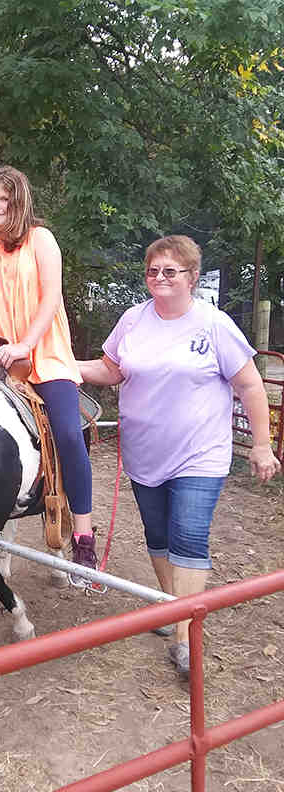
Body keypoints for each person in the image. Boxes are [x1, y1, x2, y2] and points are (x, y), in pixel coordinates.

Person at [78, 234, 281, 677]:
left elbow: (248, 385)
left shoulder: (214, 324)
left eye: (170, 271)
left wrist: (262, 444)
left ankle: (188, 638)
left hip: (200, 454)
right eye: (152, 270)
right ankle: (173, 606)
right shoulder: (133, 320)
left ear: (192, 277)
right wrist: (67, 368)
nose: (159, 278)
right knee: (158, 537)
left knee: (188, 535)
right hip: (145, 453)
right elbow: (111, 369)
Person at [0, 165, 96, 576]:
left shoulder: (41, 240)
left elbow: (51, 299)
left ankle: (83, 534)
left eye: (3, 200)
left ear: (18, 204)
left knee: (68, 432)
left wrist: (26, 345)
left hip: (42, 353)